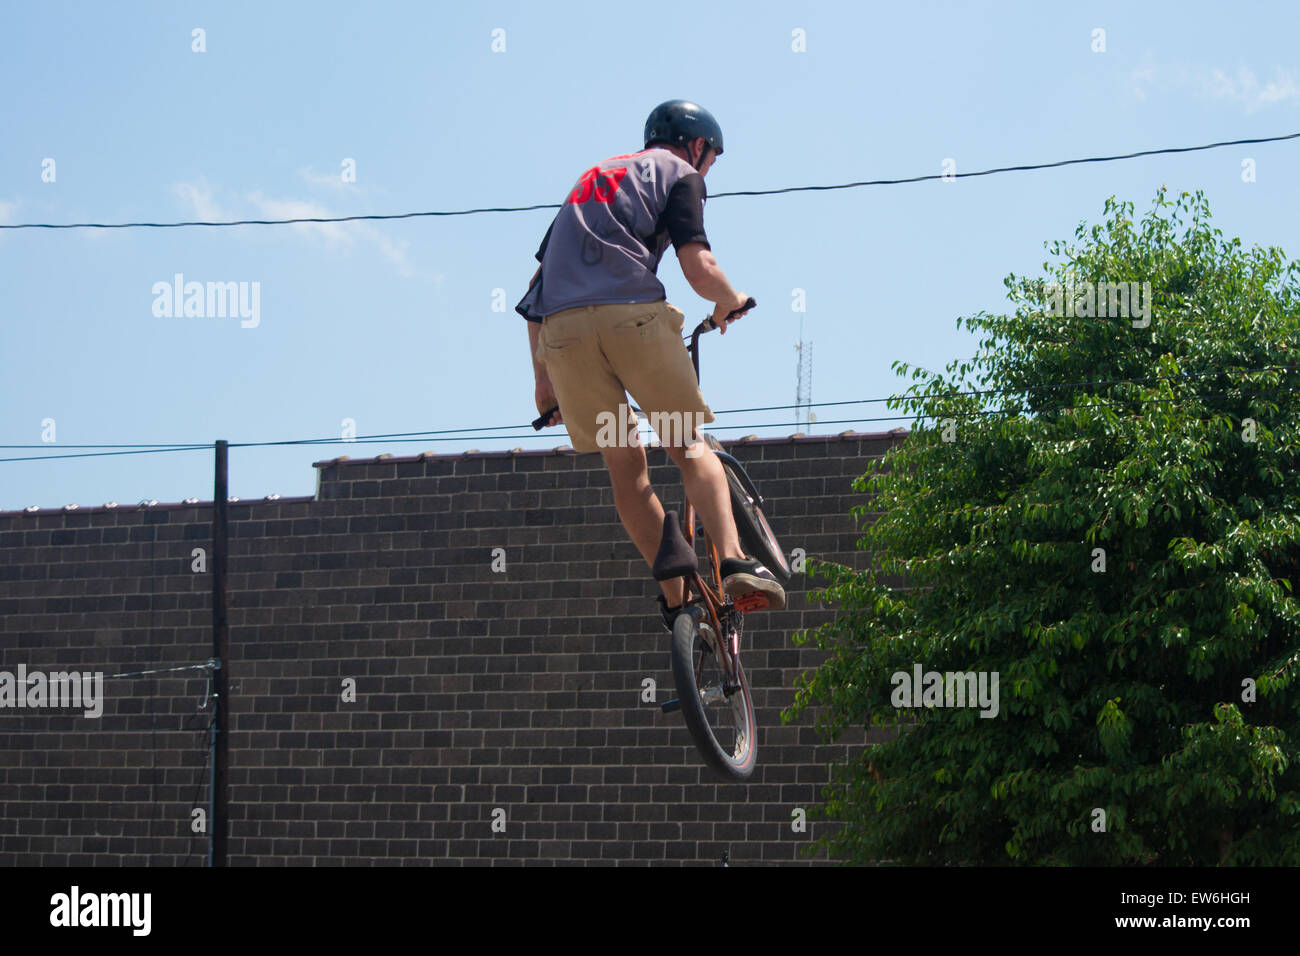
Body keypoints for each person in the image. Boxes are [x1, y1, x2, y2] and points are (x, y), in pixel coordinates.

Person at [517, 100, 786, 632]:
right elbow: (698, 265)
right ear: (697, 145)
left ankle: (676, 601)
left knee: (626, 467)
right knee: (686, 444)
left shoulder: (588, 180)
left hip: (565, 338)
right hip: (632, 322)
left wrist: (544, 385)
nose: (708, 169)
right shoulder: (678, 173)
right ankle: (735, 563)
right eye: (711, 158)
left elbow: (534, 292)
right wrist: (730, 299)